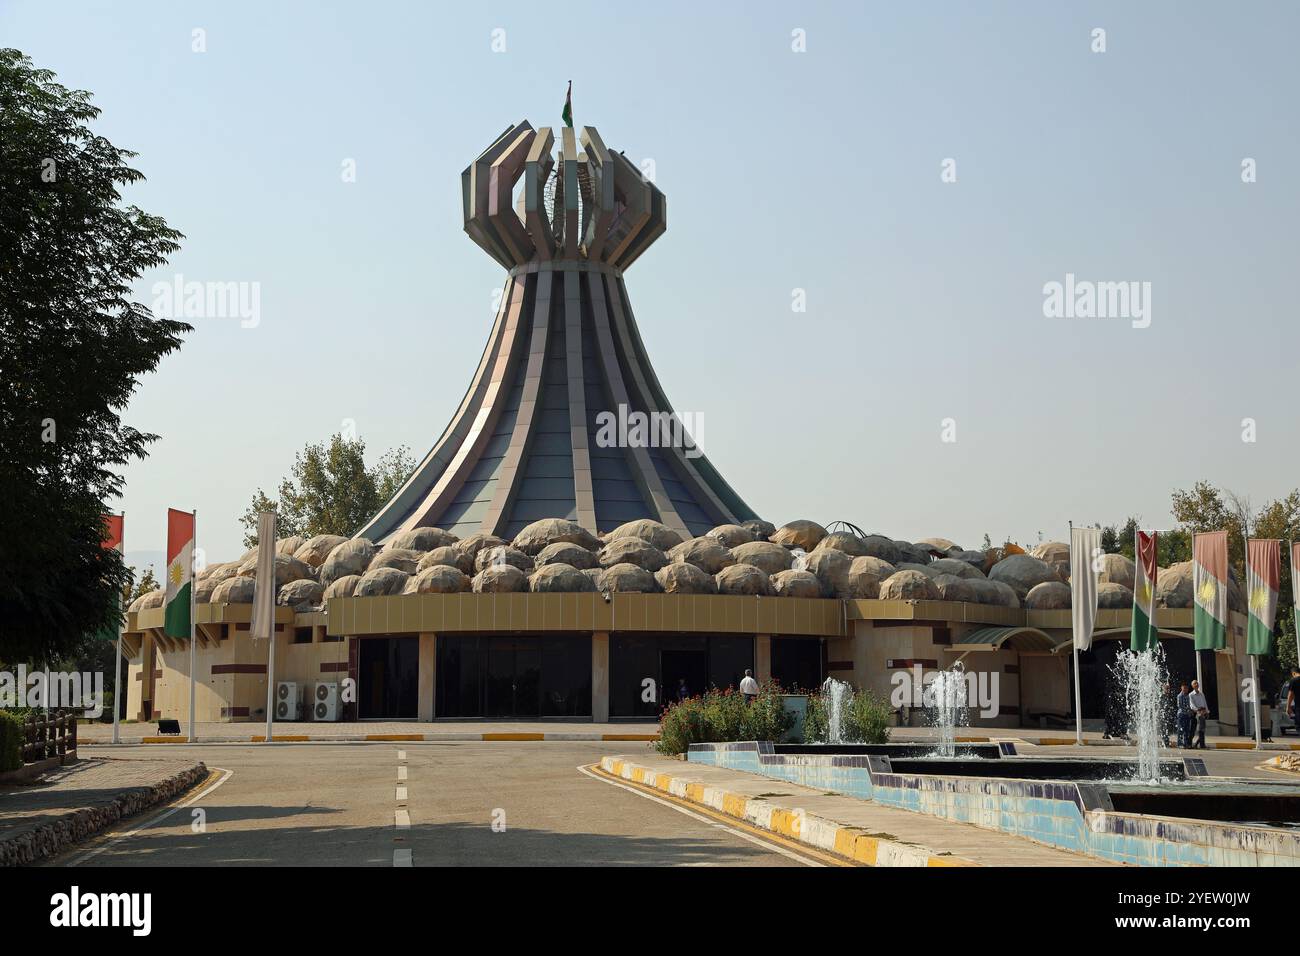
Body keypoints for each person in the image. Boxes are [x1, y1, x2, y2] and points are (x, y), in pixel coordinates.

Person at [1188, 680, 1208, 749]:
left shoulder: (1201, 694)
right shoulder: (1191, 695)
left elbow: (1204, 703)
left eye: (1197, 683)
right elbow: (1192, 705)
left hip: (1202, 713)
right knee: (1193, 730)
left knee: (1202, 729)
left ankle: (1200, 744)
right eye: (1194, 684)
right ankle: (1191, 744)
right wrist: (1198, 711)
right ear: (1192, 686)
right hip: (1195, 713)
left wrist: (1207, 711)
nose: (1196, 684)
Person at [1175, 683, 1191, 748]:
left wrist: (1189, 711)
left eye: (1186, 688)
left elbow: (1189, 705)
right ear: (1181, 688)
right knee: (1181, 729)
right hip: (1181, 714)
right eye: (1184, 688)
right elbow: (1180, 706)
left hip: (1187, 715)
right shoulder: (1179, 696)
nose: (1185, 689)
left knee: (1187, 730)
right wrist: (1188, 709)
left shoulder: (1188, 696)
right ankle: (1180, 744)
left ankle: (1186, 743)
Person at [1288, 668, 1300, 736]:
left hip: (1299, 707)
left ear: (1294, 673)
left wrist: (1288, 707)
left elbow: (1290, 695)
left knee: (1298, 725)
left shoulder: (1294, 680)